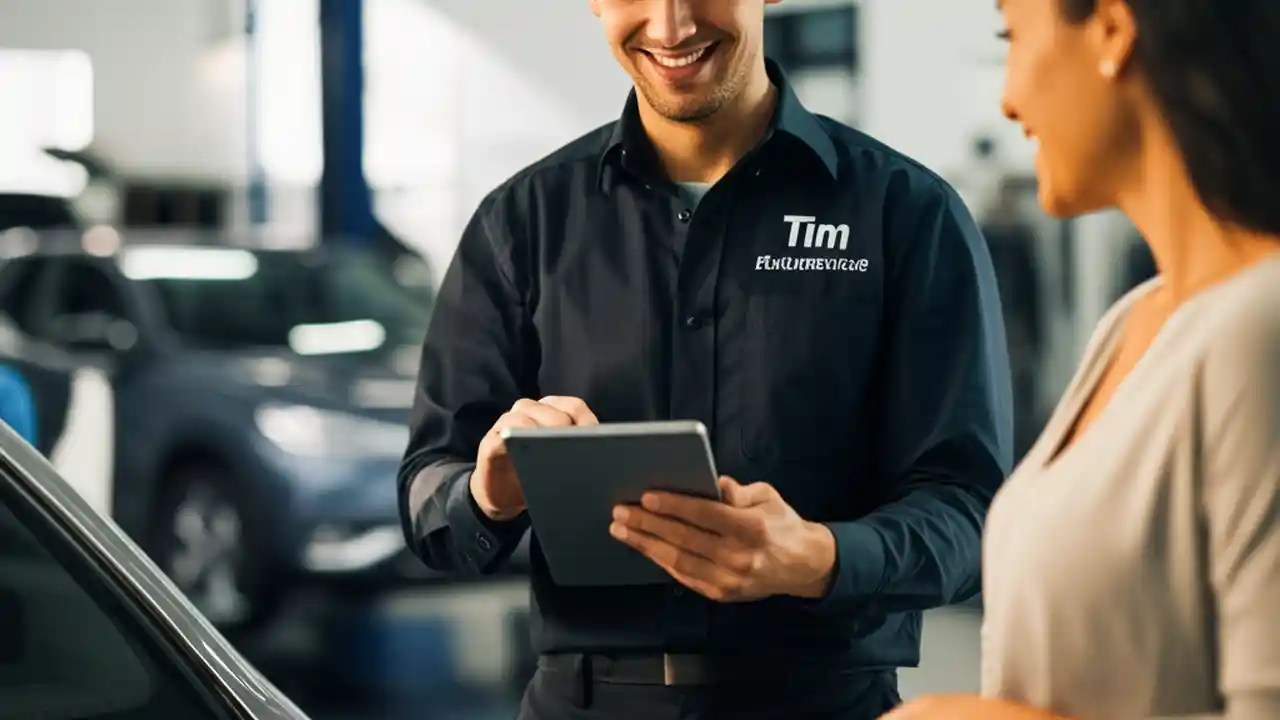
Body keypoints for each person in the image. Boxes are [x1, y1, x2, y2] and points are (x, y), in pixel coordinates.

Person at [398, 1, 1013, 717]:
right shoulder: (523, 223)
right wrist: (489, 491)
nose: (670, 26)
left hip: (822, 702)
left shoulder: (905, 214)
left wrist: (819, 556)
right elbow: (428, 497)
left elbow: (968, 510)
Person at [883, 0, 1280, 718]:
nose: (1007, 100)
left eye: (1013, 35)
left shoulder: (1261, 330)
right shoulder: (1135, 321)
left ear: (1111, 30)